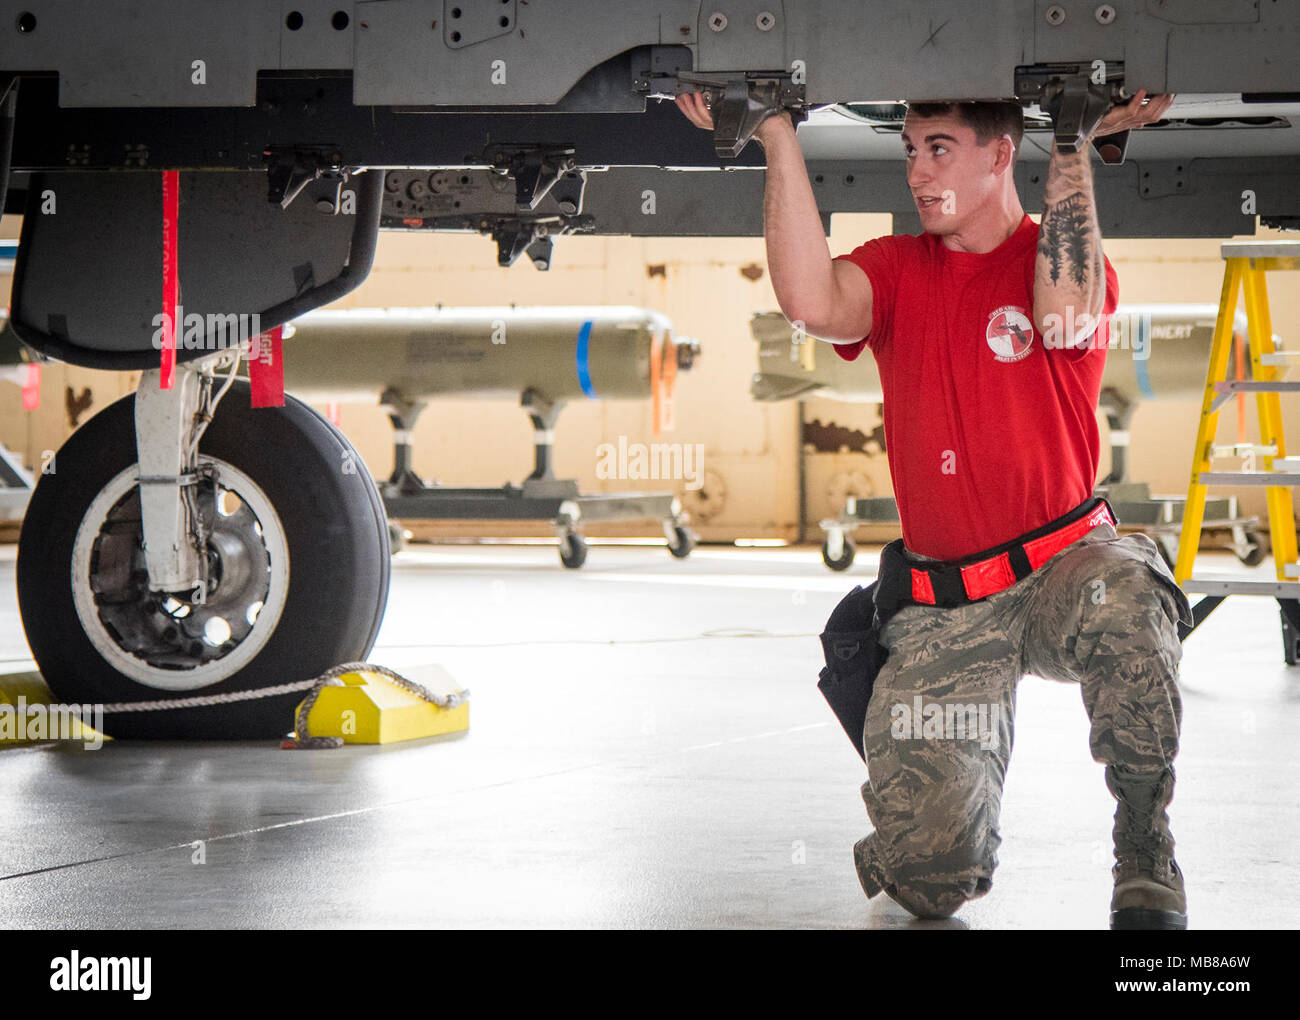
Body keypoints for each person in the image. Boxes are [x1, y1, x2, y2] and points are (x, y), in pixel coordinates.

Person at [677, 88, 1193, 929]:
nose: (917, 171)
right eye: (910, 149)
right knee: (928, 882)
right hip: (948, 607)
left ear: (1000, 156)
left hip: (1064, 569)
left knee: (1128, 596)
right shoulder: (896, 268)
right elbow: (811, 301)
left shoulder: (1054, 263)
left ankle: (1144, 846)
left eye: (940, 149)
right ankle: (919, 810)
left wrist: (1073, 131)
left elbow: (1062, 322)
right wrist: (776, 132)